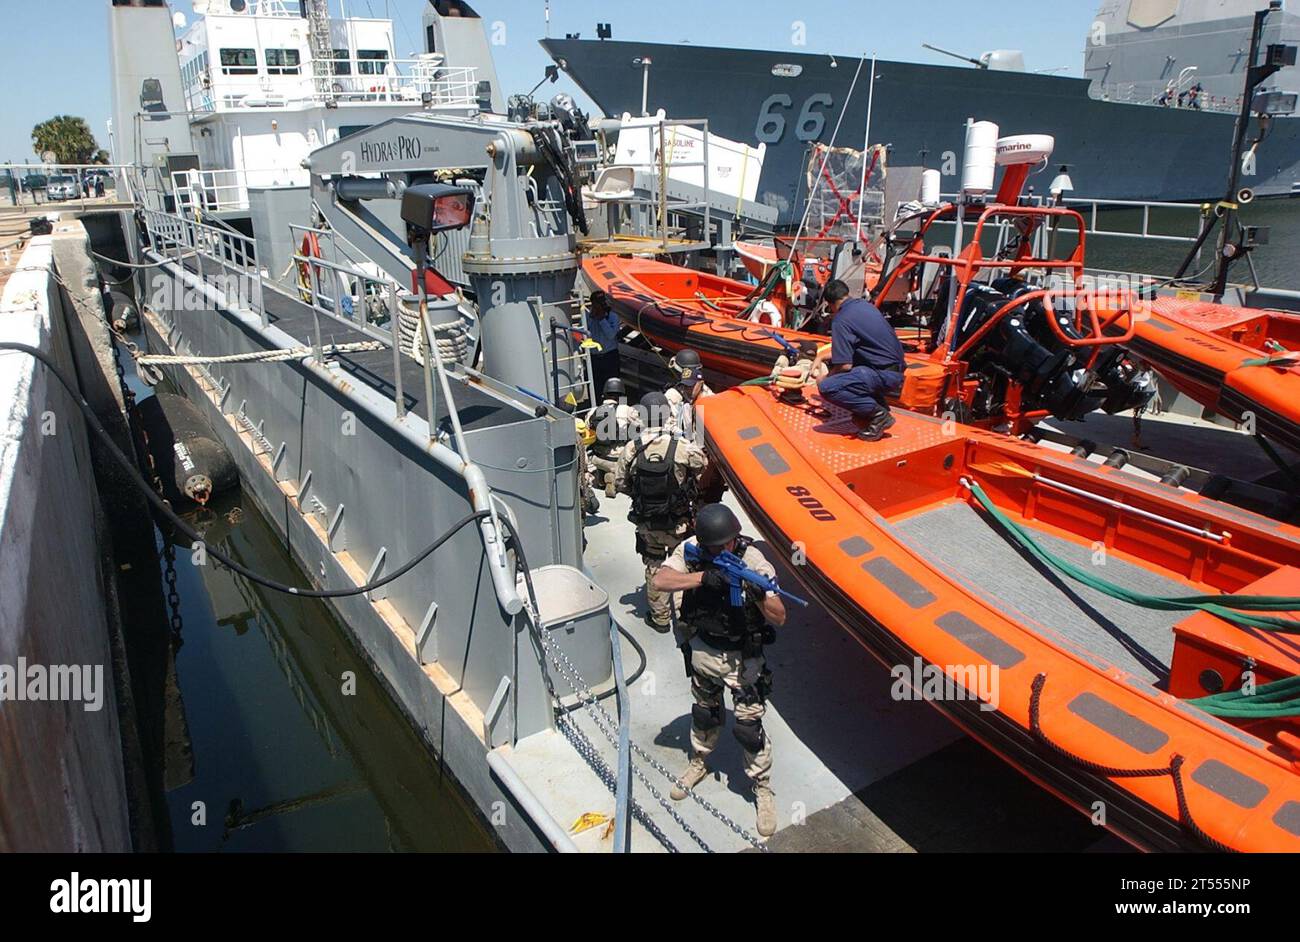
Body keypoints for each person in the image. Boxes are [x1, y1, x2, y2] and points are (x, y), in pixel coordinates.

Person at [652, 503, 787, 837]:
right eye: (718, 546)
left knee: (748, 728)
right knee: (705, 714)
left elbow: (780, 615)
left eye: (730, 542)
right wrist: (704, 578)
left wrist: (758, 593)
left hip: (743, 661)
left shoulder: (753, 560)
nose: (726, 548)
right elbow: (661, 578)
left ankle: (762, 787)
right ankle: (699, 761)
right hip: (704, 651)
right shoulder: (691, 550)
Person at [614, 391, 706, 632]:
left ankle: (661, 619)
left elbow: (621, 483)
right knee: (686, 566)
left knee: (654, 566)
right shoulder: (684, 447)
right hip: (679, 522)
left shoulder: (631, 449)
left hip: (648, 523)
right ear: (667, 415)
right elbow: (702, 472)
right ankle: (686, 617)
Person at [811, 279, 905, 440]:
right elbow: (861, 348)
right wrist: (821, 356)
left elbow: (845, 365)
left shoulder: (841, 320)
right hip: (894, 370)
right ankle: (878, 407)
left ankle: (879, 415)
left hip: (882, 374)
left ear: (830, 304)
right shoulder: (865, 306)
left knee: (828, 387)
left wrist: (825, 377)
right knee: (856, 374)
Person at [587, 290, 622, 397]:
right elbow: (582, 333)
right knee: (596, 387)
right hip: (594, 357)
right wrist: (592, 318)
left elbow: (611, 335)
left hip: (609, 356)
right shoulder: (588, 317)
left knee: (613, 385)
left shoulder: (612, 317)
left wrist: (602, 319)